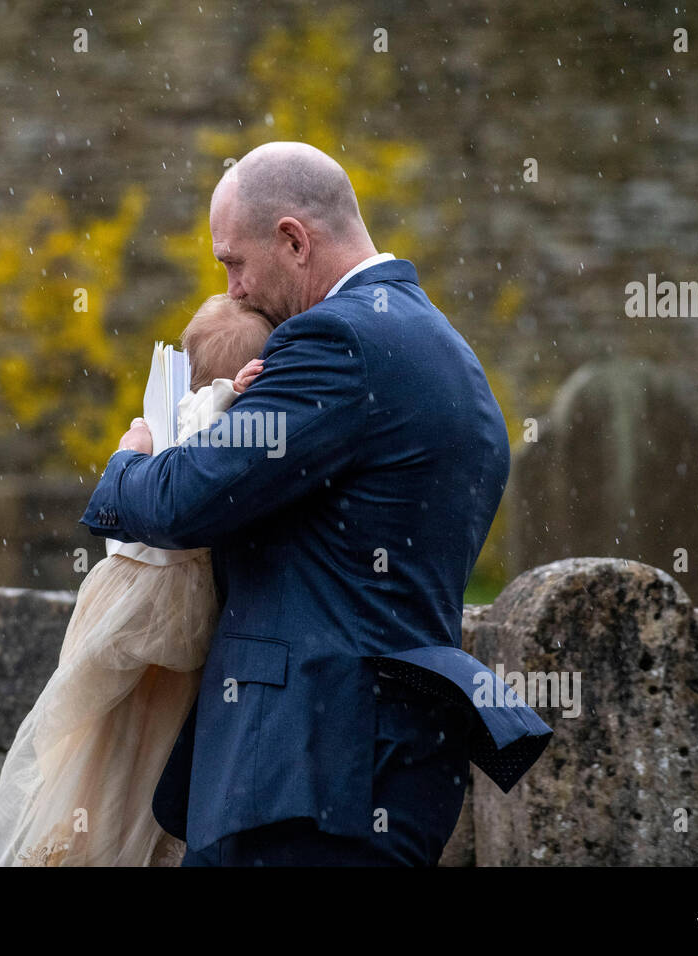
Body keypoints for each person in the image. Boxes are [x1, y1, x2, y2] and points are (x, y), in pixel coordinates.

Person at [81, 141, 554, 866]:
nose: (233, 290)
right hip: (384, 767)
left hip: (302, 772)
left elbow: (185, 499)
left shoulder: (338, 343)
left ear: (294, 240)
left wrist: (128, 466)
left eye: (234, 262)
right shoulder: (447, 350)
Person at [0, 294, 273, 866]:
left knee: (115, 749)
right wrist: (236, 391)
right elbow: (209, 424)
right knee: (128, 744)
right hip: (156, 599)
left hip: (139, 597)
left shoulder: (178, 421)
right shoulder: (201, 418)